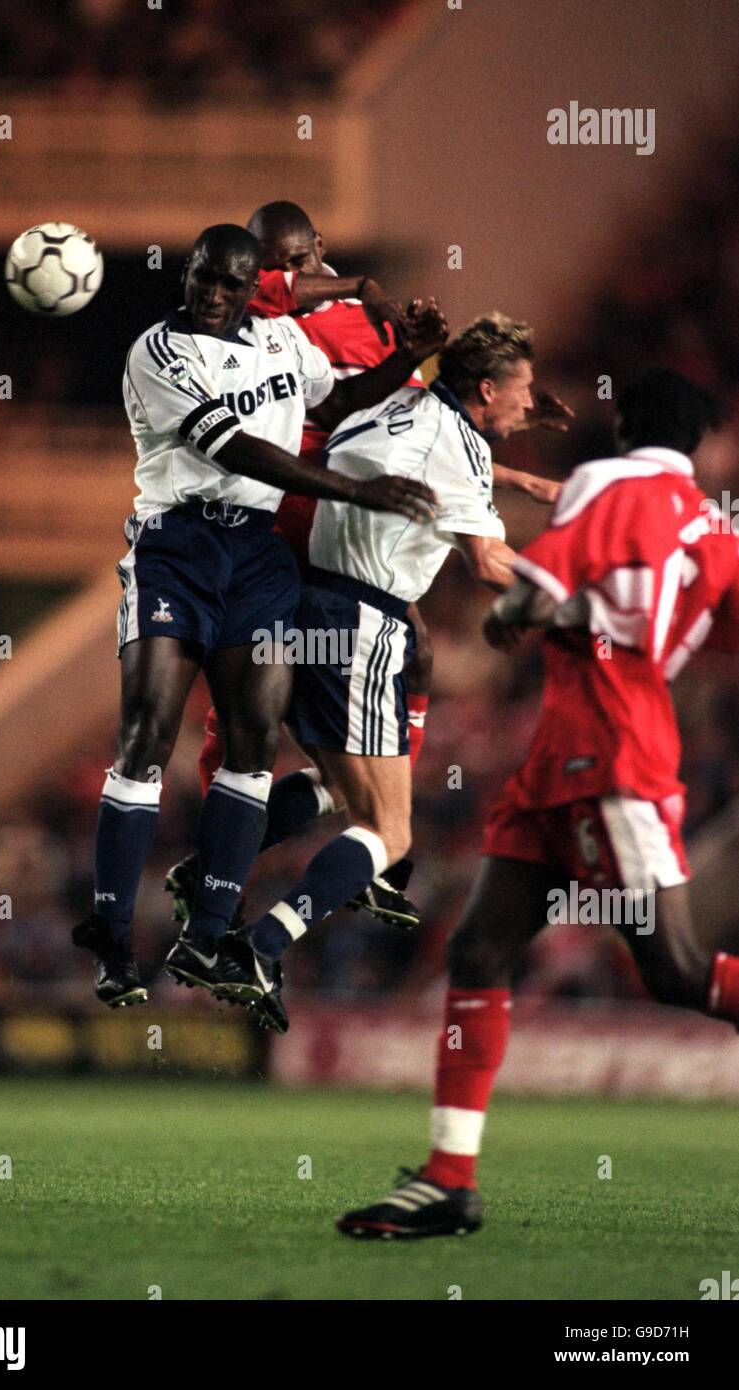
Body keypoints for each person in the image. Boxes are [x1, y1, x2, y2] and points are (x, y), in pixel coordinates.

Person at [337, 368, 739, 1241]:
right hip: (573, 755)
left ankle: (449, 1181)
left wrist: (514, 607)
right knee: (480, 946)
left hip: (611, 757)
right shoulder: (714, 531)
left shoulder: (601, 479)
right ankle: (448, 1182)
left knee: (673, 970)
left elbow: (545, 577)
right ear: (699, 445)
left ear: (625, 423)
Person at [72, 222, 446, 1008]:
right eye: (201, 277)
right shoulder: (157, 352)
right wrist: (348, 490)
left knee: (252, 745)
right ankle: (111, 940)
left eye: (227, 284)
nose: (210, 294)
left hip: (258, 561)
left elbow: (339, 397)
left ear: (252, 291)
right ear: (190, 275)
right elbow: (231, 446)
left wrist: (404, 359)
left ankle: (207, 935)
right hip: (178, 547)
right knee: (145, 736)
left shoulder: (281, 341)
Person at [170, 313, 562, 1031]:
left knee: (336, 789)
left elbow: (412, 462)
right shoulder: (461, 445)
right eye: (525, 391)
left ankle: (209, 869)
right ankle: (260, 946)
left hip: (302, 605)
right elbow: (486, 564)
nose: (529, 404)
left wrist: (513, 478)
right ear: (484, 388)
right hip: (363, 625)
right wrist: (573, 597)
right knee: (391, 832)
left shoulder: (389, 401)